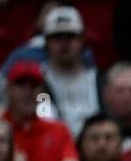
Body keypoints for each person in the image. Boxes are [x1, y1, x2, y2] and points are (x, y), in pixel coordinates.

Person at [3, 60, 77, 161]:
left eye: (34, 86)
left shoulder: (58, 131)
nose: (28, 92)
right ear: (7, 89)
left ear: (42, 93)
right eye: (20, 85)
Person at [40, 7, 99, 138]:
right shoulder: (37, 81)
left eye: (70, 36)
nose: (64, 43)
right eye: (57, 37)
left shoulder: (99, 80)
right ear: (46, 41)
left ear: (82, 39)